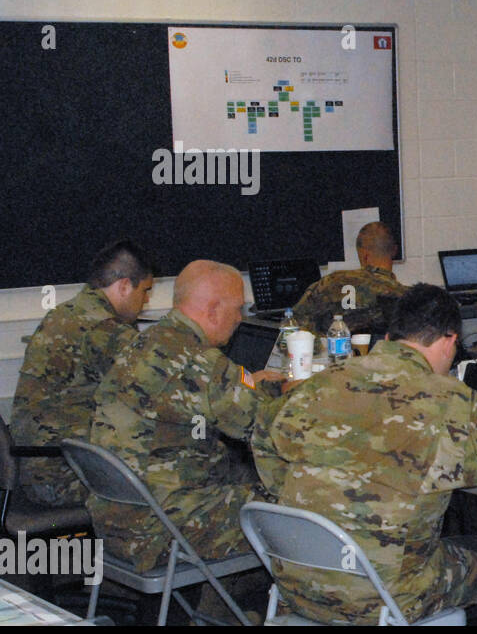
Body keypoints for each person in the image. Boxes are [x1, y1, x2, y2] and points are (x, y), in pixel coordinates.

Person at [252, 284, 477, 623]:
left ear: (389, 334)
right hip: (385, 598)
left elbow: (262, 434)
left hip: (298, 585)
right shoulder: (454, 401)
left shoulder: (322, 381)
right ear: (450, 340)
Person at [89, 261, 284, 572]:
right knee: (296, 506)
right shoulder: (200, 362)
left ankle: (218, 612)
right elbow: (269, 429)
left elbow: (215, 399)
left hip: (116, 520)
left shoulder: (140, 342)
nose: (239, 319)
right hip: (163, 532)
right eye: (237, 309)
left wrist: (250, 383)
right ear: (213, 309)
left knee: (240, 473)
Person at [11, 240, 155, 506]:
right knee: (181, 480)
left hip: (38, 467)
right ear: (124, 286)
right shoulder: (103, 328)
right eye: (145, 291)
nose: (146, 300)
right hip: (63, 477)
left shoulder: (68, 312)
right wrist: (240, 381)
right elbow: (160, 387)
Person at [293, 221, 407, 335]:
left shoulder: (330, 282)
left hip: (333, 351)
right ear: (394, 251)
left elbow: (293, 325)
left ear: (363, 255)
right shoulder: (404, 296)